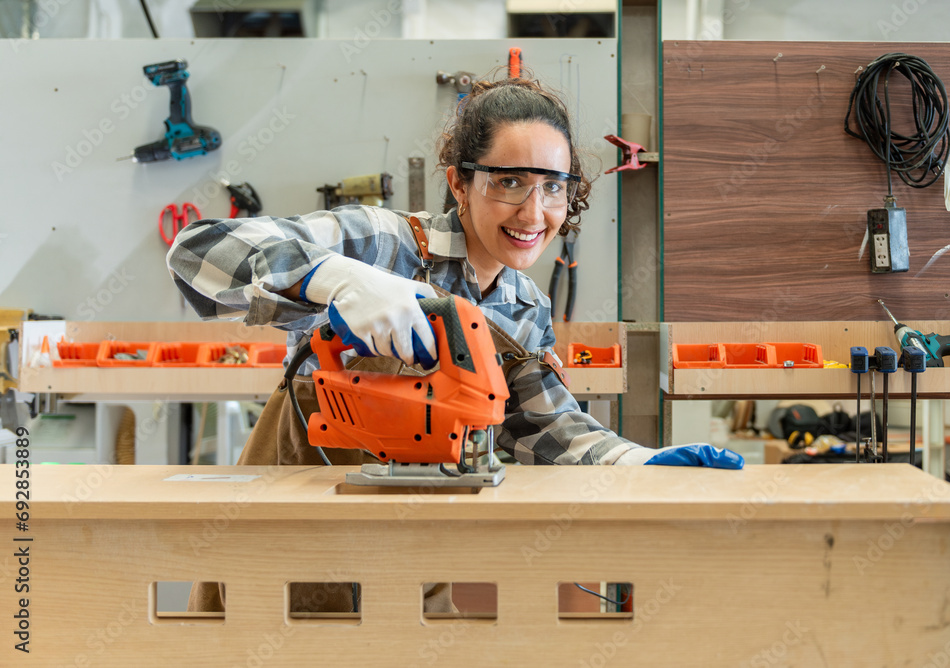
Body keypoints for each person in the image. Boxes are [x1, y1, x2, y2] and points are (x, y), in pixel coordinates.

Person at [167, 75, 741, 613]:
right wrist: (337, 278)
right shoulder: (383, 243)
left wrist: (635, 459)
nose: (533, 213)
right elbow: (196, 250)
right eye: (509, 182)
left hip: (414, 556)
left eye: (553, 188)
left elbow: (543, 427)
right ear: (459, 183)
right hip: (291, 540)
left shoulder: (524, 307)